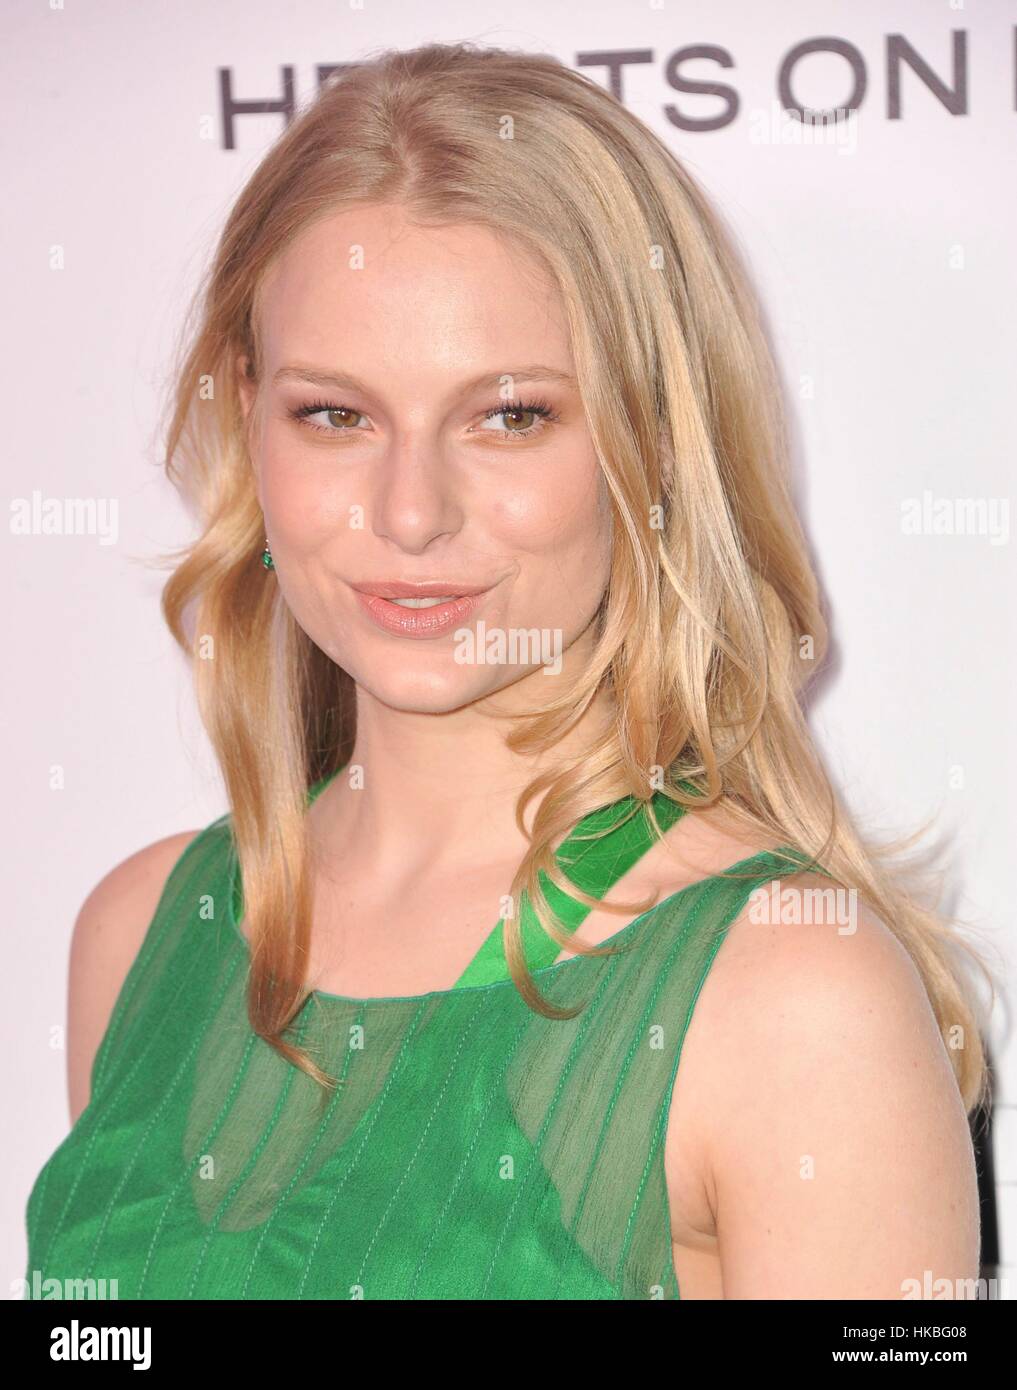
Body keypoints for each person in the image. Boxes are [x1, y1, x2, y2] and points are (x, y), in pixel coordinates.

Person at [24, 41, 988, 1301]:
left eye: (512, 415)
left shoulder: (796, 997)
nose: (411, 511)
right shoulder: (143, 932)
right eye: (335, 414)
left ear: (652, 440)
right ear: (247, 418)